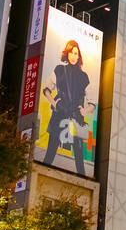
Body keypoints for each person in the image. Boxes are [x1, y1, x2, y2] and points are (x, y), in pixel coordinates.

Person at [39, 40, 93, 176]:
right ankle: (40, 175)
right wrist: (54, 103)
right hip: (60, 115)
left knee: (79, 160)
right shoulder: (59, 70)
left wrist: (84, 111)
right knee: (50, 153)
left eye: (76, 53)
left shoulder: (84, 76)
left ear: (79, 56)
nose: (74, 56)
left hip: (76, 118)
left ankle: (82, 183)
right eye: (71, 53)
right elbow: (46, 89)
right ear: (67, 54)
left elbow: (92, 103)